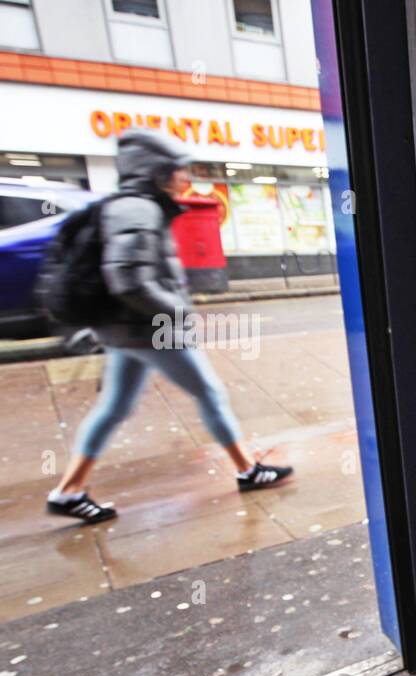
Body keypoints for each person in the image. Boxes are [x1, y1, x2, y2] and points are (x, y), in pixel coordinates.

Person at [46, 129, 291, 524]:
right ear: (157, 171)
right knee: (209, 392)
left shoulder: (133, 206)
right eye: (180, 170)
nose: (186, 178)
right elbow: (128, 278)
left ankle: (68, 490)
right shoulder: (138, 210)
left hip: (128, 330)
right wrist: (176, 311)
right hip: (150, 329)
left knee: (114, 408)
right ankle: (249, 470)